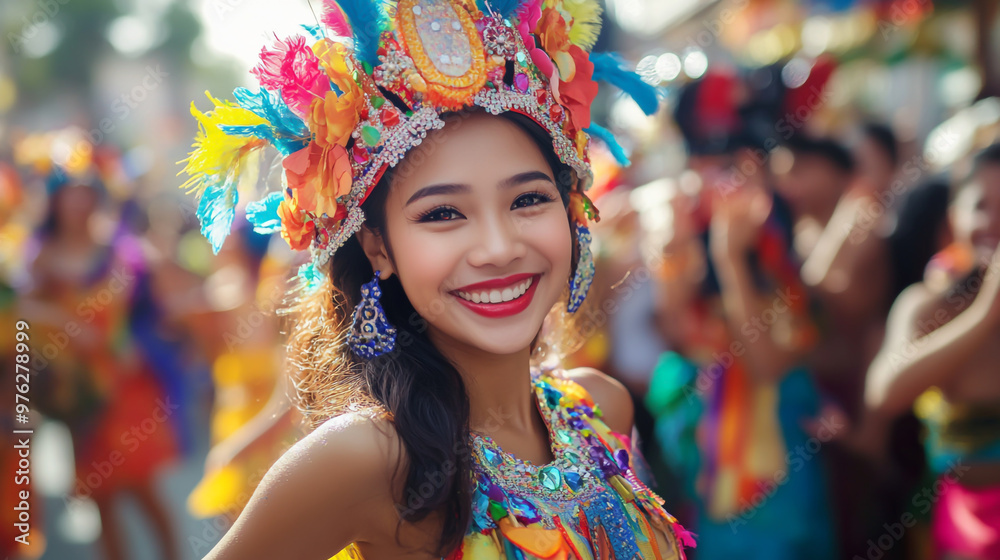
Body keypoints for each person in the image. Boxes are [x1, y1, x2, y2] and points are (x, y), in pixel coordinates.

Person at [179, 0, 694, 558]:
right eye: (443, 214)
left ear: (571, 211)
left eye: (528, 199)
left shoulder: (601, 408)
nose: (498, 249)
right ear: (379, 248)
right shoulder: (366, 462)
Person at [18, 130, 179, 560]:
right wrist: (65, 322)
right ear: (53, 198)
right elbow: (19, 311)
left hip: (124, 386)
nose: (78, 202)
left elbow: (143, 310)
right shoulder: (39, 257)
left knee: (143, 490)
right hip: (77, 394)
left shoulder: (119, 250)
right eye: (68, 192)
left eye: (86, 191)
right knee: (98, 494)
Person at [866, 142, 1000, 560]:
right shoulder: (926, 305)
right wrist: (985, 312)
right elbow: (885, 392)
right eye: (982, 205)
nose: (995, 221)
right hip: (964, 525)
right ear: (953, 218)